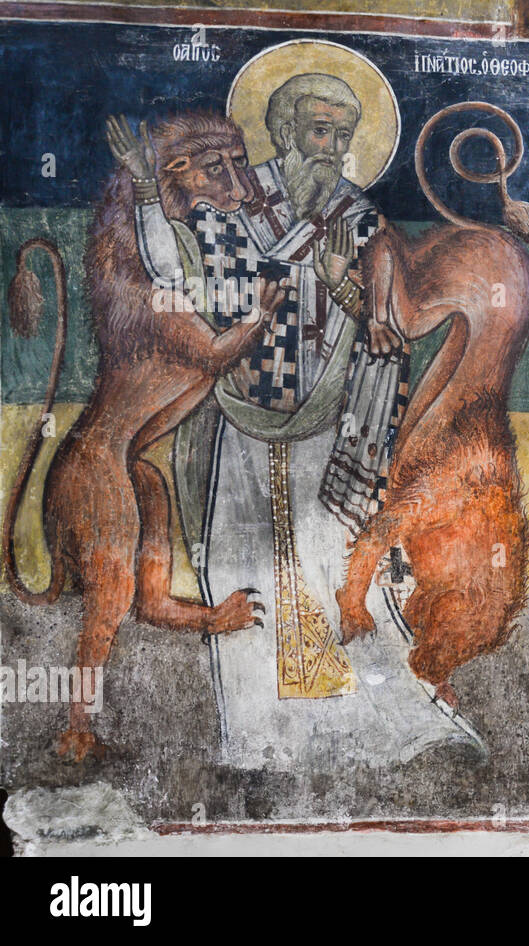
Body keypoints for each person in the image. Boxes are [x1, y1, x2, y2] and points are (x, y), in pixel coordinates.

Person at [113, 75, 471, 770]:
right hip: (239, 421)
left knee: (333, 566)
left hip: (327, 425)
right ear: (281, 132)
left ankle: (360, 733)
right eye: (319, 131)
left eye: (344, 136)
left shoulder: (359, 216)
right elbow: (181, 275)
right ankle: (260, 741)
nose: (333, 149)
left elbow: (387, 324)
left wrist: (352, 288)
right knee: (239, 575)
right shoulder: (232, 200)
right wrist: (151, 196)